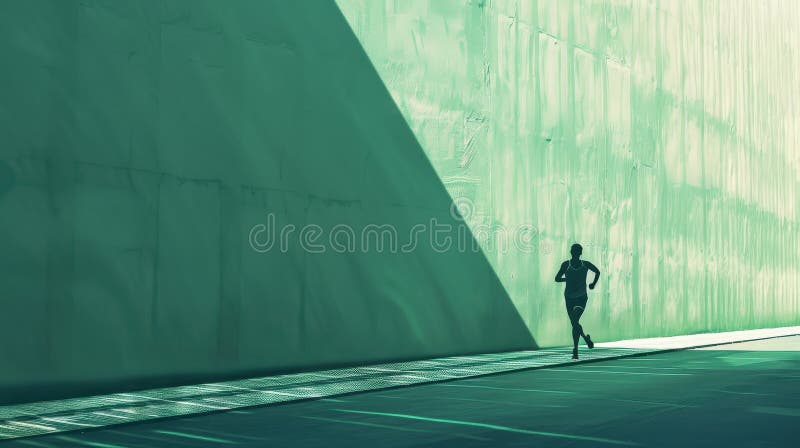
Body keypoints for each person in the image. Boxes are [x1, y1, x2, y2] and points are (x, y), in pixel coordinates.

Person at [554, 243, 600, 359]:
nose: (575, 253)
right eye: (574, 251)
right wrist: (567, 279)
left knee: (574, 320)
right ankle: (585, 338)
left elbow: (597, 271)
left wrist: (593, 284)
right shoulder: (566, 264)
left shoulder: (585, 264)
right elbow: (557, 278)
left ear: (578, 253)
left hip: (581, 297)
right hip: (569, 298)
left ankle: (575, 350)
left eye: (576, 251)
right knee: (574, 323)